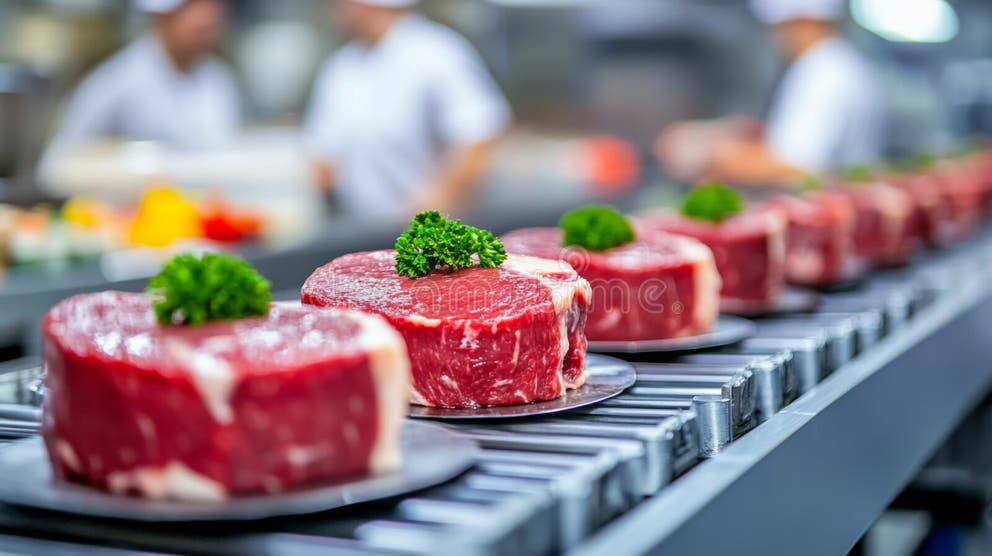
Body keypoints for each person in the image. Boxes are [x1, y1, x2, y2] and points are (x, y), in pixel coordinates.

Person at [304, 0, 511, 218]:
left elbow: (479, 135)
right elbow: (322, 149)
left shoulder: (438, 53)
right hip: (361, 228)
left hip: (430, 231)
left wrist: (433, 205)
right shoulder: (342, 65)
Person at [657, 0, 886, 186]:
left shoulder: (823, 74)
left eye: (778, 27)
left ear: (801, 18)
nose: (776, 37)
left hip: (827, 216)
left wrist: (708, 154)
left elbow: (796, 165)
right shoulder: (841, 63)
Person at [39, 0, 240, 188]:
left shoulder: (218, 80)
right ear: (161, 16)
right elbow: (59, 163)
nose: (208, 17)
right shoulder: (115, 81)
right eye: (193, 6)